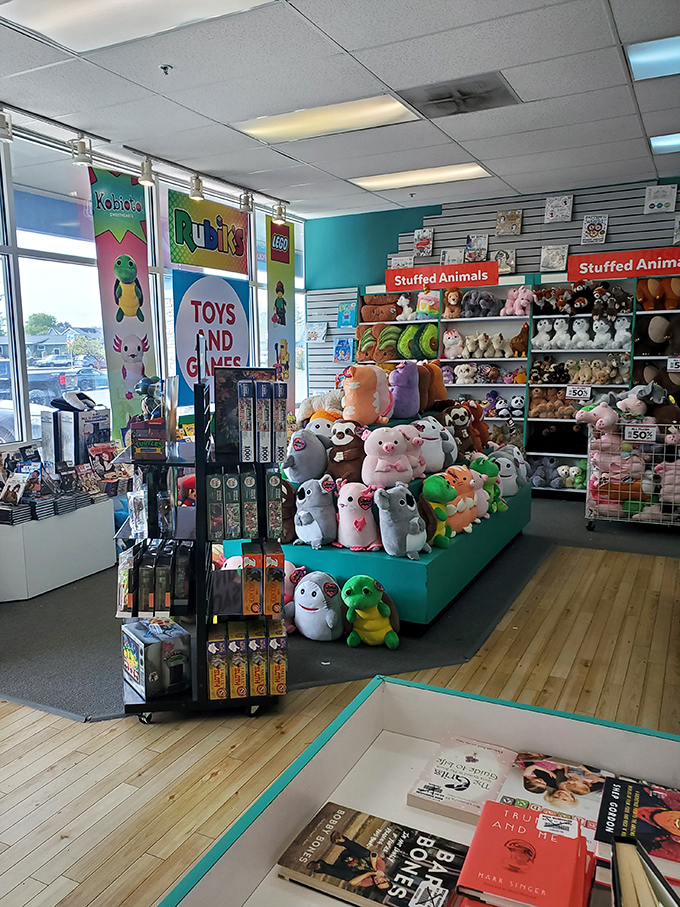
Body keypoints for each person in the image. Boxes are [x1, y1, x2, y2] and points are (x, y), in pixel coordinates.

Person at [308, 831, 390, 890]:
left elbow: (353, 882)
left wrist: (370, 873)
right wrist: (375, 869)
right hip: (350, 854)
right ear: (386, 879)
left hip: (343, 865)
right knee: (366, 853)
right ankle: (341, 840)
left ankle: (320, 867)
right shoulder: (381, 867)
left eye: (378, 884)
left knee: (348, 877)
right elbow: (373, 854)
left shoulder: (369, 882)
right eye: (382, 881)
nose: (378, 881)